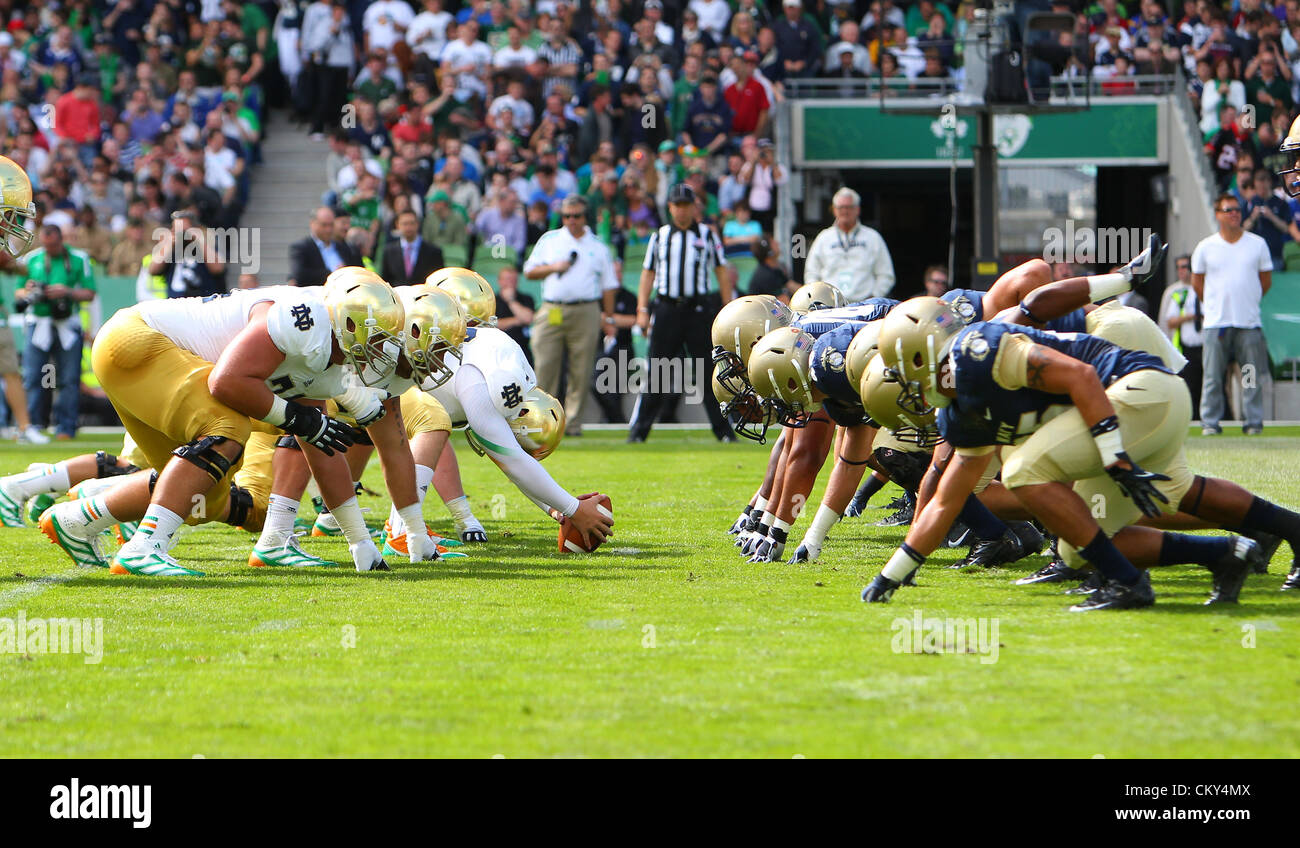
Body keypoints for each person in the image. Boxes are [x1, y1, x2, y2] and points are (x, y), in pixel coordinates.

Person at [628, 183, 736, 443]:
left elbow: (722, 270)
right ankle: (639, 432)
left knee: (708, 372)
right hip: (666, 308)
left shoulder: (708, 235)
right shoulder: (660, 236)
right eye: (677, 205)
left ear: (694, 207)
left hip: (699, 310)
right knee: (658, 371)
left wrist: (726, 307)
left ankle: (723, 432)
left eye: (686, 205)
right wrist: (643, 309)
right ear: (670, 207)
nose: (681, 211)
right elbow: (647, 273)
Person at [523, 195, 619, 436]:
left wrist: (607, 317)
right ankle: (544, 422)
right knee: (545, 365)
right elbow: (529, 271)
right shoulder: (550, 240)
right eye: (567, 216)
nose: (571, 221)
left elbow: (608, 285)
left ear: (584, 217)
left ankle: (573, 424)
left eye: (576, 216)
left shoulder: (597, 246)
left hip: (586, 309)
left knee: (581, 368)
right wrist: (554, 267)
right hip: (553, 308)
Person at [1191, 193, 1273, 435]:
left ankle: (1253, 423)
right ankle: (1210, 424)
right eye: (1229, 209)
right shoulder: (1206, 247)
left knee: (1249, 377)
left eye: (1237, 209)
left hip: (1248, 324)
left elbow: (1265, 282)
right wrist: (1215, 305)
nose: (1235, 213)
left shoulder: (1257, 244)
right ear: (1218, 215)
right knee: (1214, 377)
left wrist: (1248, 301)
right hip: (1216, 324)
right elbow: (1198, 284)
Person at [12, 224, 96, 441]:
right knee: (33, 376)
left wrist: (66, 291)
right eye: (46, 245)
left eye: (53, 245)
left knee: (69, 377)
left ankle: (66, 427)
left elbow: (89, 293)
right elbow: (19, 292)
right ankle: (33, 426)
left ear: (61, 240)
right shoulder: (32, 259)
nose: (49, 249)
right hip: (38, 322)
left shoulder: (78, 258)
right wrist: (30, 291)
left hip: (67, 322)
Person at [803, 187, 896, 300]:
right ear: (834, 210)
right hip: (830, 308)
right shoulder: (823, 238)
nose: (845, 211)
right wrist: (819, 298)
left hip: (865, 308)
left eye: (849, 207)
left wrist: (874, 297)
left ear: (858, 209)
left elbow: (886, 275)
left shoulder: (873, 237)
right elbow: (811, 273)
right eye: (841, 207)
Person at [1158, 254, 1205, 414]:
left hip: (1204, 344)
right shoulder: (1173, 292)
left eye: (1185, 267)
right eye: (1179, 267)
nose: (1182, 271)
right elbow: (1166, 321)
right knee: (1188, 385)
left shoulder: (1203, 288)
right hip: (1182, 346)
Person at [150, 210, 226, 299]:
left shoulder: (206, 246)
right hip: (175, 303)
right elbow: (153, 270)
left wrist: (199, 239)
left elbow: (218, 269)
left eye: (184, 230)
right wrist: (169, 243)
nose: (181, 234)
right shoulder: (171, 250)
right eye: (176, 230)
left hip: (203, 303)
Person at [288, 206, 361, 286]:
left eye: (331, 225)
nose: (328, 229)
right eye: (324, 225)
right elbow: (300, 275)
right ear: (313, 224)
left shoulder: (346, 248)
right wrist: (334, 274)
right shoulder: (301, 248)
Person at [378, 209, 444, 286]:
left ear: (418, 224)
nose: (409, 227)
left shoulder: (434, 252)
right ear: (398, 225)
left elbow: (438, 282)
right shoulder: (389, 251)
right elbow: (385, 281)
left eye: (412, 223)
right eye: (405, 224)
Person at [494, 266, 536, 363]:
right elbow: (492, 324)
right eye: (507, 279)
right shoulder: (492, 300)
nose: (510, 283)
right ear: (500, 281)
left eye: (513, 280)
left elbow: (528, 318)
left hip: (522, 348)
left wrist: (511, 300)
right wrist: (518, 320)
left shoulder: (526, 298)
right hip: (498, 348)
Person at [746, 236, 797, 300]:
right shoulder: (765, 276)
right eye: (773, 243)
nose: (777, 243)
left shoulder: (775, 271)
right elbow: (783, 302)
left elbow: (793, 287)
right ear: (770, 252)